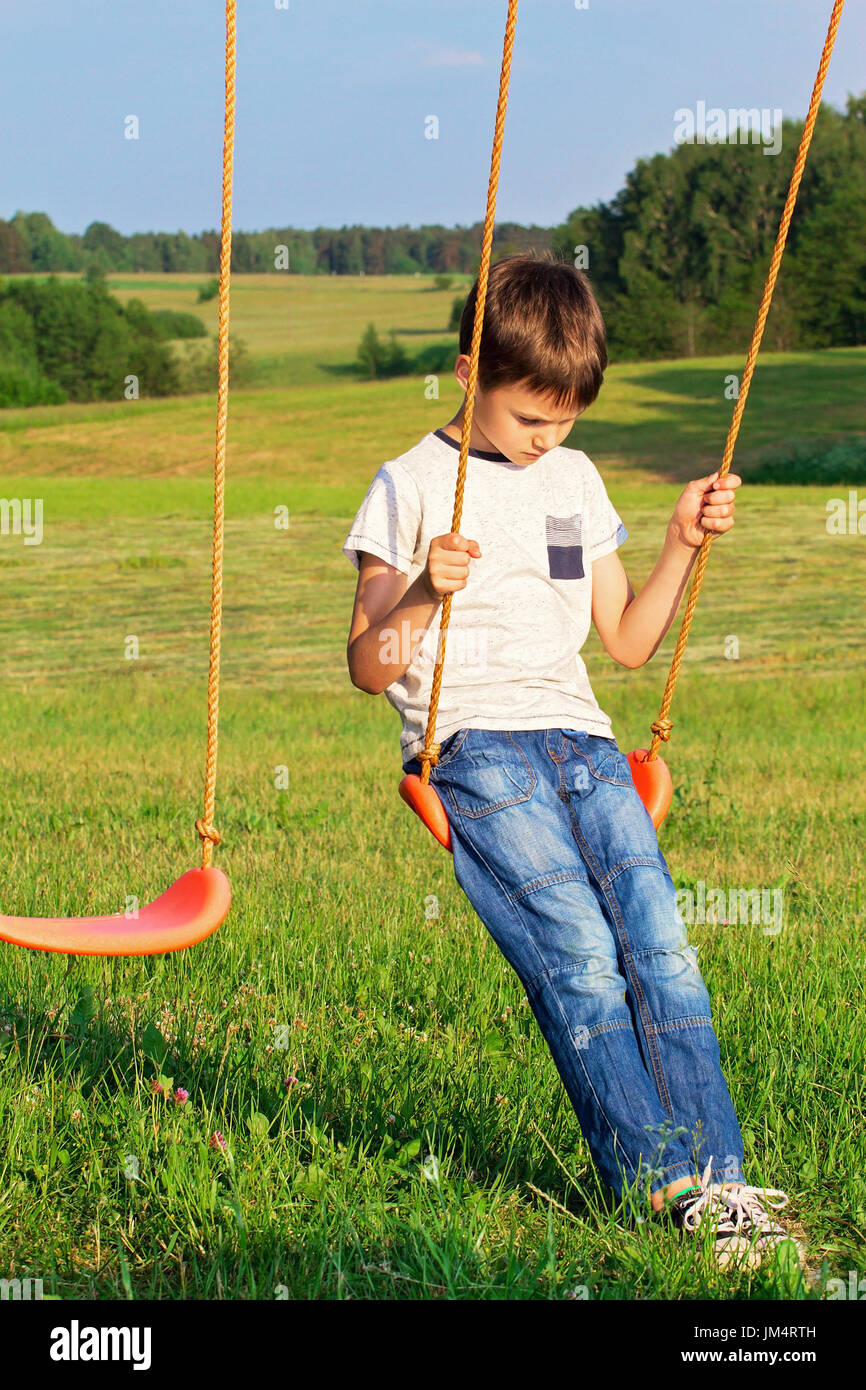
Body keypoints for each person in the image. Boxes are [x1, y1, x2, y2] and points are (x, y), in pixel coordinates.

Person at [343, 253, 799, 1269]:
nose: (547, 440)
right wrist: (424, 590)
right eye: (526, 420)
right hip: (471, 746)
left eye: (564, 422)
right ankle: (659, 1185)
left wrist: (679, 542)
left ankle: (721, 1184)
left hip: (584, 742)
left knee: (661, 951)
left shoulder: (576, 479)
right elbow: (368, 666)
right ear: (470, 371)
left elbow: (627, 643)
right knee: (584, 961)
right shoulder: (410, 485)